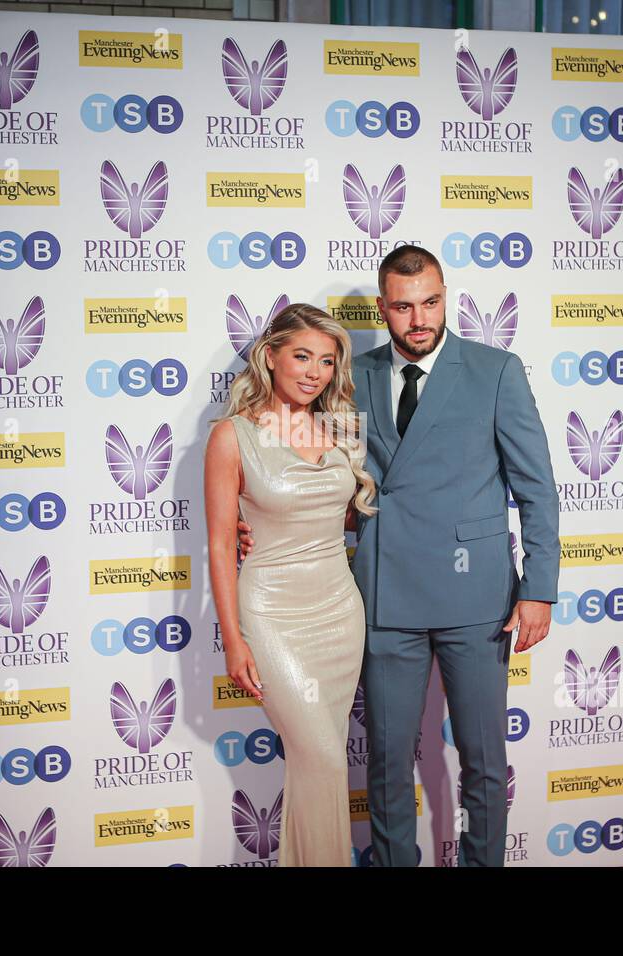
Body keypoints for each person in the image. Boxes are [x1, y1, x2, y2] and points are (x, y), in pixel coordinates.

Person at [238, 246, 560, 866]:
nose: (420, 319)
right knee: (386, 761)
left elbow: (536, 488)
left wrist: (539, 588)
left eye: (431, 303)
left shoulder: (495, 371)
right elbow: (319, 474)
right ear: (383, 309)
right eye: (404, 307)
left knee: (484, 759)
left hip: (478, 596)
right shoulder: (350, 377)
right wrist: (248, 524)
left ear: (446, 299)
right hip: (383, 595)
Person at [204, 302, 377, 866]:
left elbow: (345, 515)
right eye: (302, 356)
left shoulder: (342, 428)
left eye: (326, 361)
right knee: (322, 756)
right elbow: (220, 545)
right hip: (273, 614)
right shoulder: (232, 436)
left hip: (340, 612)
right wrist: (233, 640)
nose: (314, 372)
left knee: (318, 762)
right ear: (270, 356)